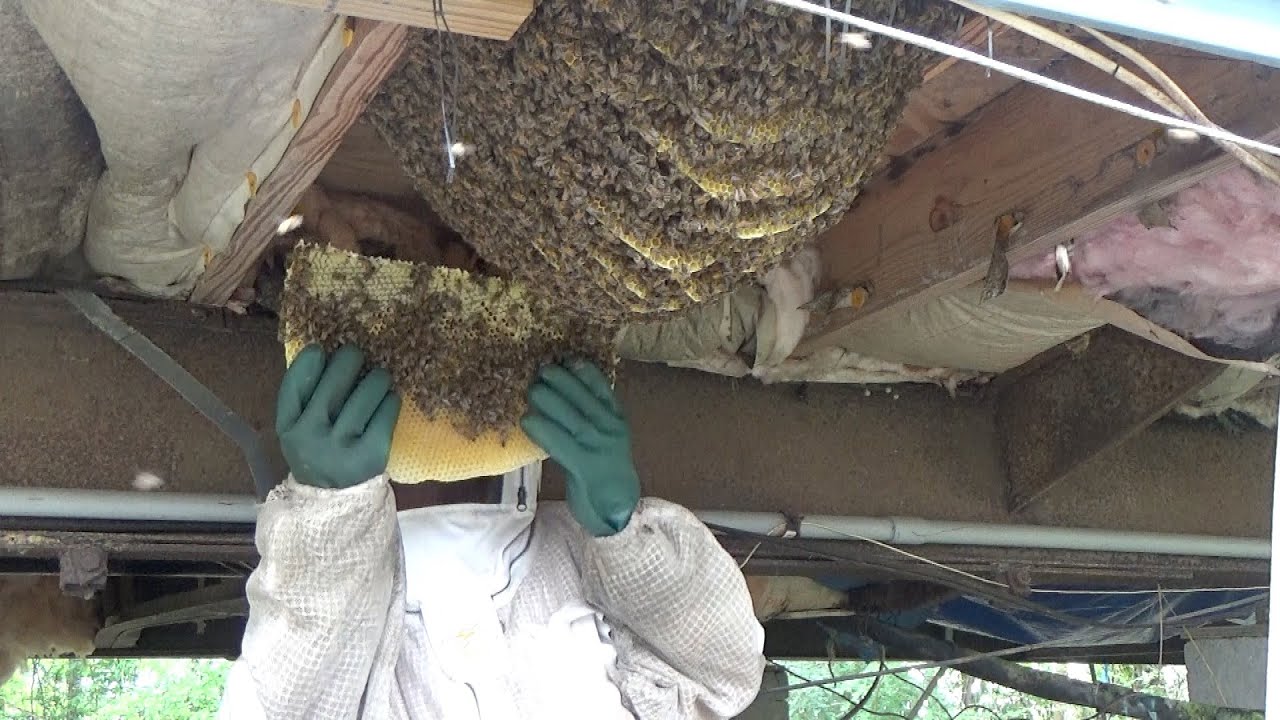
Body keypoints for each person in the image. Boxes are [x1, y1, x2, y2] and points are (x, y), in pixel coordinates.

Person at [218, 344, 766, 719]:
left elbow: (284, 701)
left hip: (365, 514)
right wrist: (623, 530)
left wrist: (328, 512)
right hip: (520, 438)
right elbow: (720, 673)